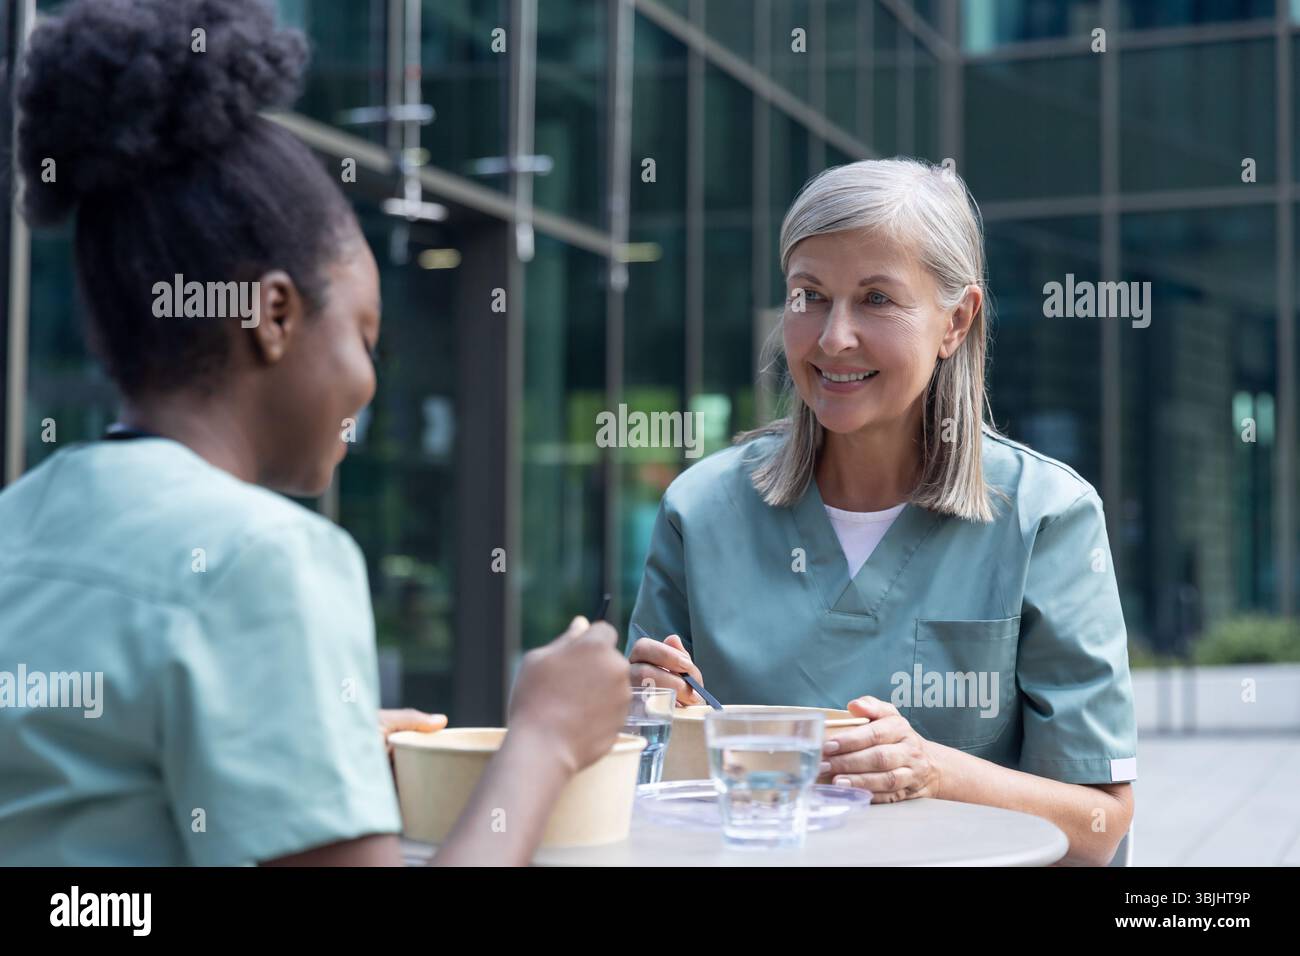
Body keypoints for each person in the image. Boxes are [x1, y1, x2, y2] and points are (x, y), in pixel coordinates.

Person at [0, 0, 630, 867]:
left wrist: (297, 742)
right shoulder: (264, 556)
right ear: (273, 315)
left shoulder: (19, 526)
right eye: (365, 336)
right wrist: (546, 740)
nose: (370, 382)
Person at [628, 158, 1136, 866]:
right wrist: (634, 720)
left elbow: (1099, 821)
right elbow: (641, 796)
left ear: (956, 320)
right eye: (809, 296)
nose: (833, 337)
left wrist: (934, 771)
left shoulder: (1047, 516)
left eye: (875, 299)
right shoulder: (701, 511)